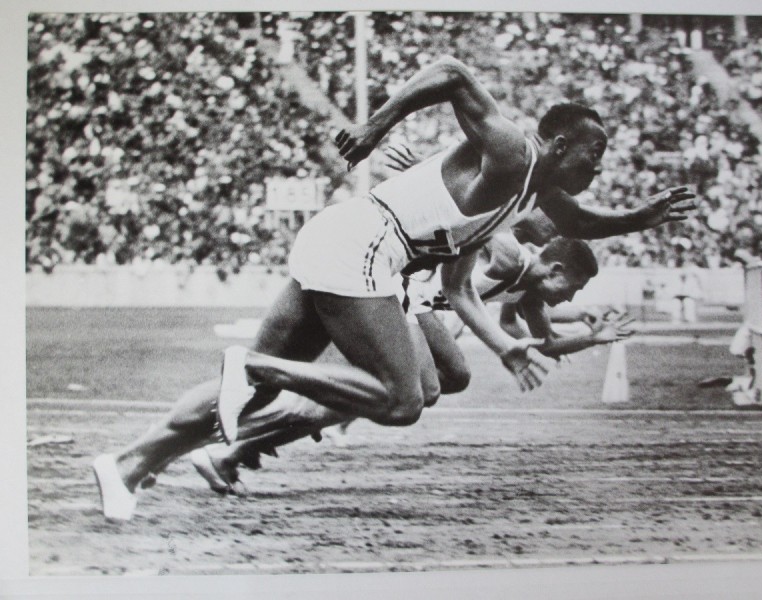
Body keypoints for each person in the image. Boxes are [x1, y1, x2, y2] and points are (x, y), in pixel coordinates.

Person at [94, 56, 694, 520]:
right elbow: (452, 73)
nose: (600, 167)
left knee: (246, 399)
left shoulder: (525, 196)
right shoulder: (513, 154)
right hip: (366, 246)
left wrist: (640, 218)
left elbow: (518, 258)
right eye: (596, 154)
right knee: (401, 399)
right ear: (561, 146)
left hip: (350, 242)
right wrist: (374, 126)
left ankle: (129, 464)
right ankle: (254, 366)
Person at [190, 236, 635, 494]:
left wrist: (591, 336)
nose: (572, 298)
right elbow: (478, 236)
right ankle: (226, 446)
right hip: (398, 298)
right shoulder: (512, 256)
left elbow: (541, 343)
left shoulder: (531, 288)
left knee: (367, 399)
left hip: (420, 310)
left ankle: (233, 449)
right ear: (555, 268)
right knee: (423, 386)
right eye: (573, 290)